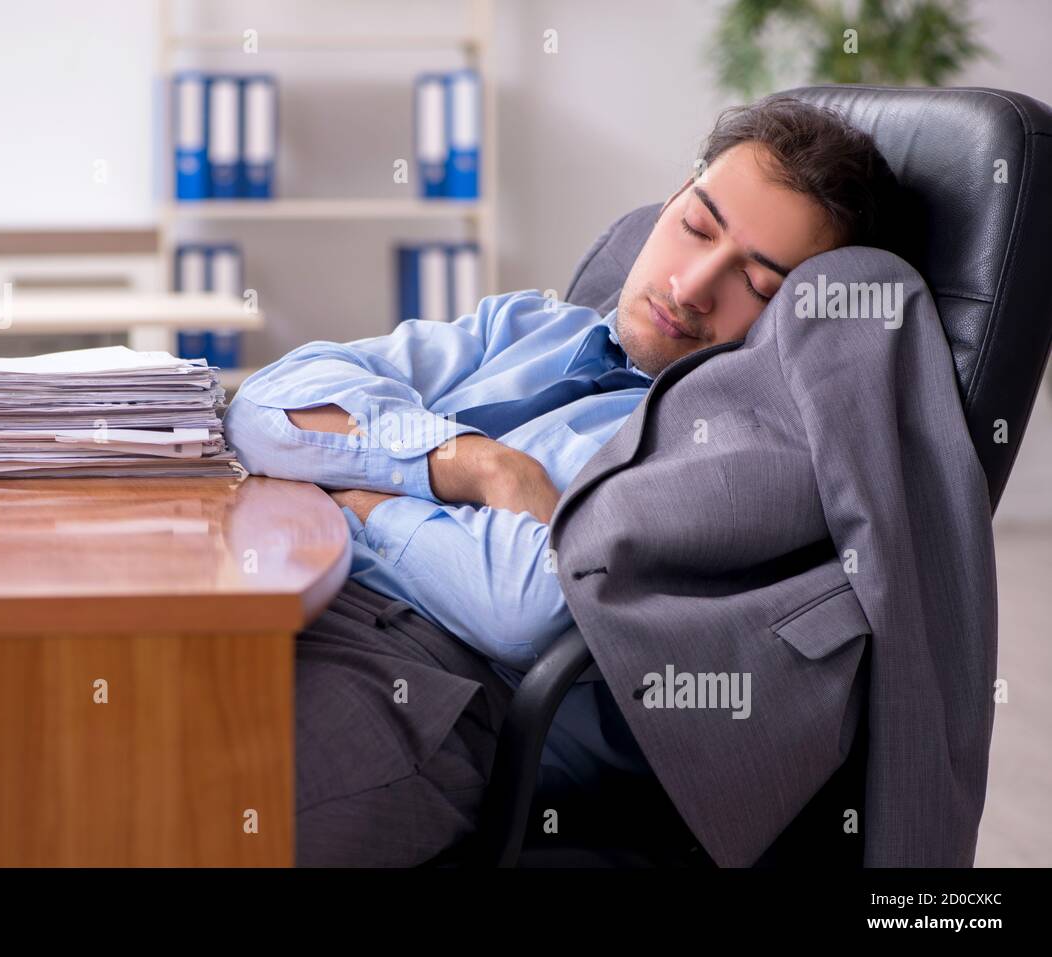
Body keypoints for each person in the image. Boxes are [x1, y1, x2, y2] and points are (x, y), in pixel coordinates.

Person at [223, 93, 901, 866]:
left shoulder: (724, 442)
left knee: (177, 810)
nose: (691, 286)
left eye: (759, 282)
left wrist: (364, 488)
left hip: (424, 682)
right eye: (698, 228)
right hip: (290, 595)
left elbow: (517, 605)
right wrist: (479, 465)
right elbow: (268, 403)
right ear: (673, 199)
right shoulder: (527, 325)